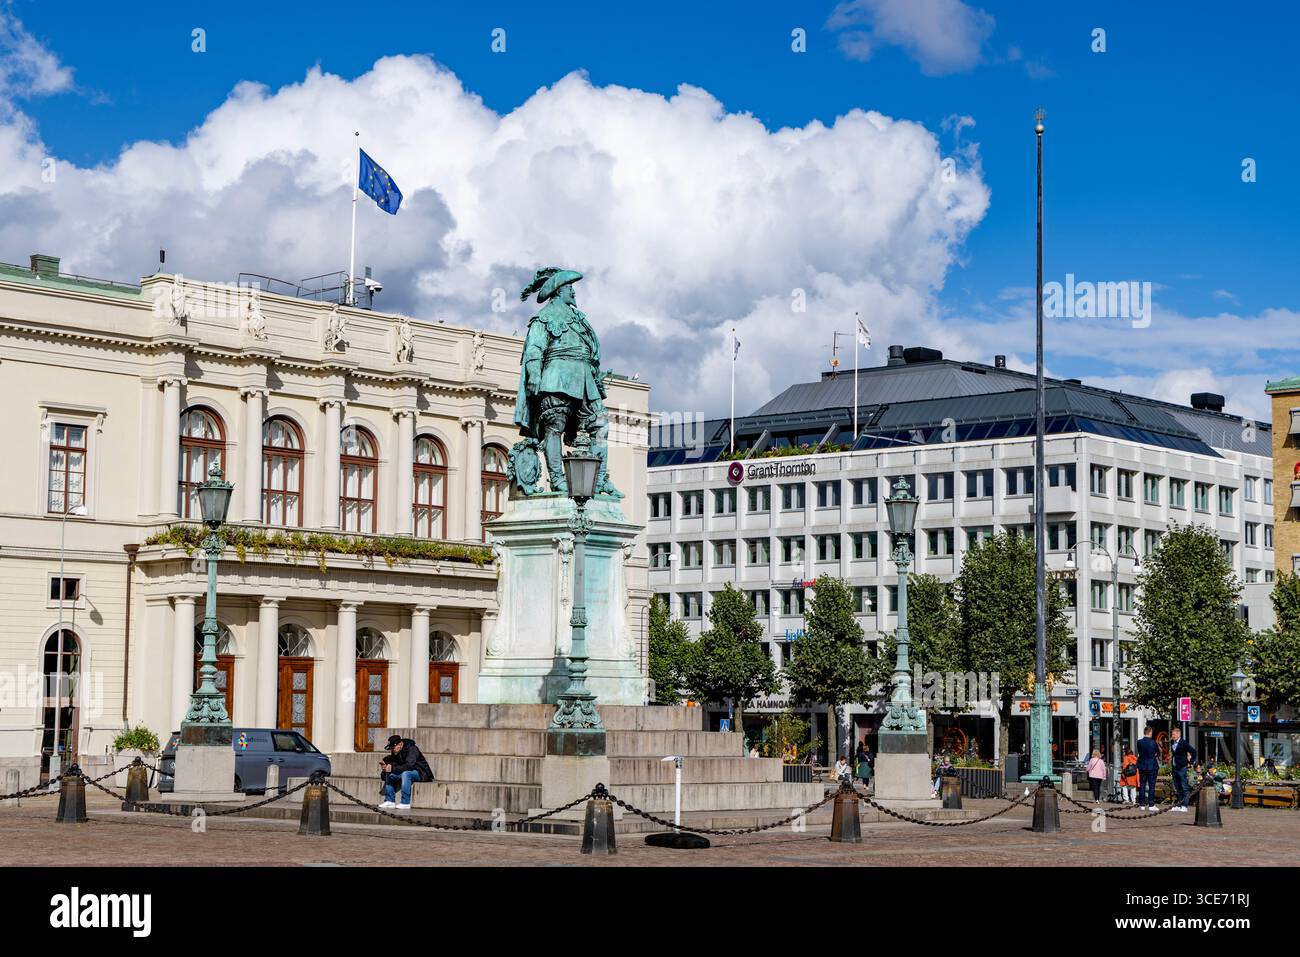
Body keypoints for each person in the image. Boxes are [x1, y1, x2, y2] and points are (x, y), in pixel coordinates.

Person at [379, 734, 433, 810]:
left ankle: (405, 803)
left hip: (420, 772)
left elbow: (409, 766)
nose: (392, 750)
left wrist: (392, 768)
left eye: (393, 748)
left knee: (406, 774)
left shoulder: (412, 749)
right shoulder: (396, 752)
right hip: (408, 771)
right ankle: (390, 801)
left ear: (400, 744)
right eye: (391, 748)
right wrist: (385, 766)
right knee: (390, 772)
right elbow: (394, 763)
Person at [1169, 727, 1197, 812]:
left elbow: (1193, 751)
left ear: (1178, 734)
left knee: (1184, 786)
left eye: (1173, 734)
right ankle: (1179, 804)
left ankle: (1185, 805)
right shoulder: (1172, 743)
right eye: (1172, 734)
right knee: (1177, 787)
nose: (1172, 736)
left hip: (1182, 767)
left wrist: (1191, 762)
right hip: (1174, 767)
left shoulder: (1183, 743)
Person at [1135, 725, 1160, 811]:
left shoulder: (1139, 742)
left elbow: (1140, 753)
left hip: (1142, 765)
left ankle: (1141, 804)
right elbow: (1158, 753)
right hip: (1152, 766)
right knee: (1151, 785)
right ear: (1150, 733)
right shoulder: (1153, 742)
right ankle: (1151, 804)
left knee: (1142, 785)